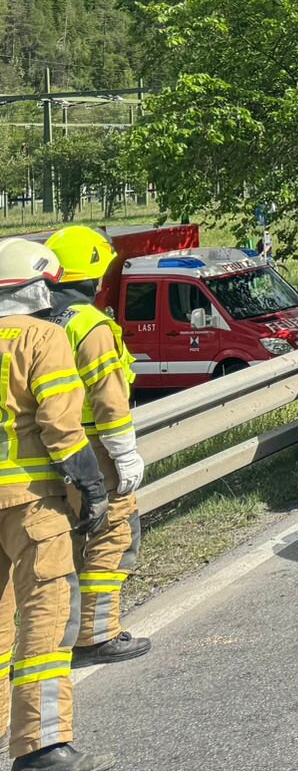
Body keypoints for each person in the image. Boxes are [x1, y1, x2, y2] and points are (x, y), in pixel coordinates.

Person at [0, 237, 111, 771]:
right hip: (32, 505)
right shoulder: (43, 337)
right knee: (46, 618)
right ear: (38, 287)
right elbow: (62, 428)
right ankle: (41, 744)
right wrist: (89, 487)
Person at [41, 229, 146, 668]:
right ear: (95, 274)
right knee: (112, 534)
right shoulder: (92, 326)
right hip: (94, 452)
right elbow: (108, 400)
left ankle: (59, 633)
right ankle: (97, 634)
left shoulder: (39, 323)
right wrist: (125, 454)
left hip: (50, 451)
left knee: (63, 545)